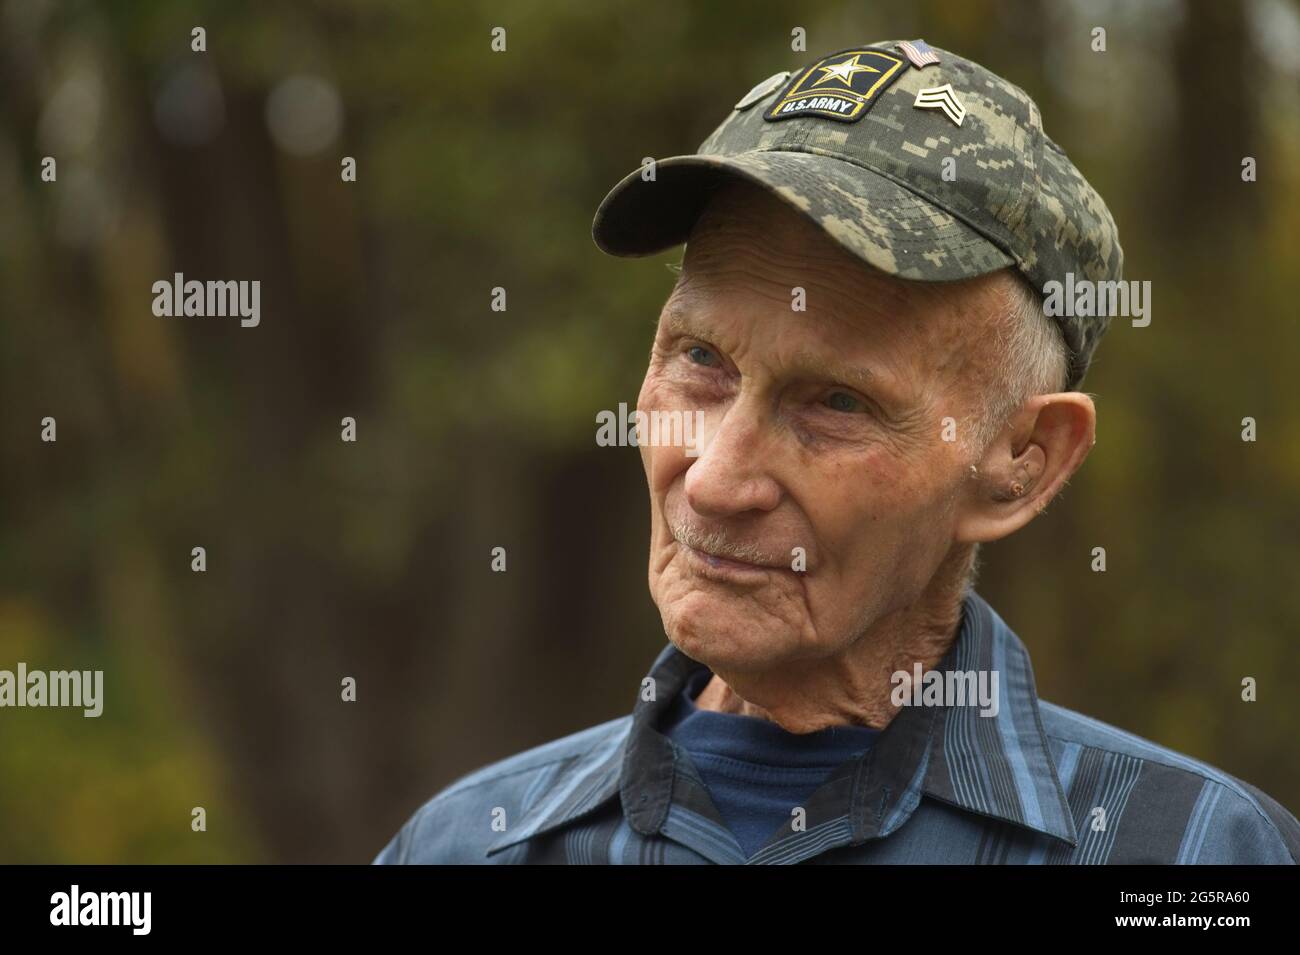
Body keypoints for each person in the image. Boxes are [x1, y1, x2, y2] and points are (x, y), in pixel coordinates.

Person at [374, 41, 1300, 864]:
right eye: (700, 359)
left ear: (1024, 459)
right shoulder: (469, 842)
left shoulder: (1194, 855)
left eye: (838, 402)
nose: (715, 478)